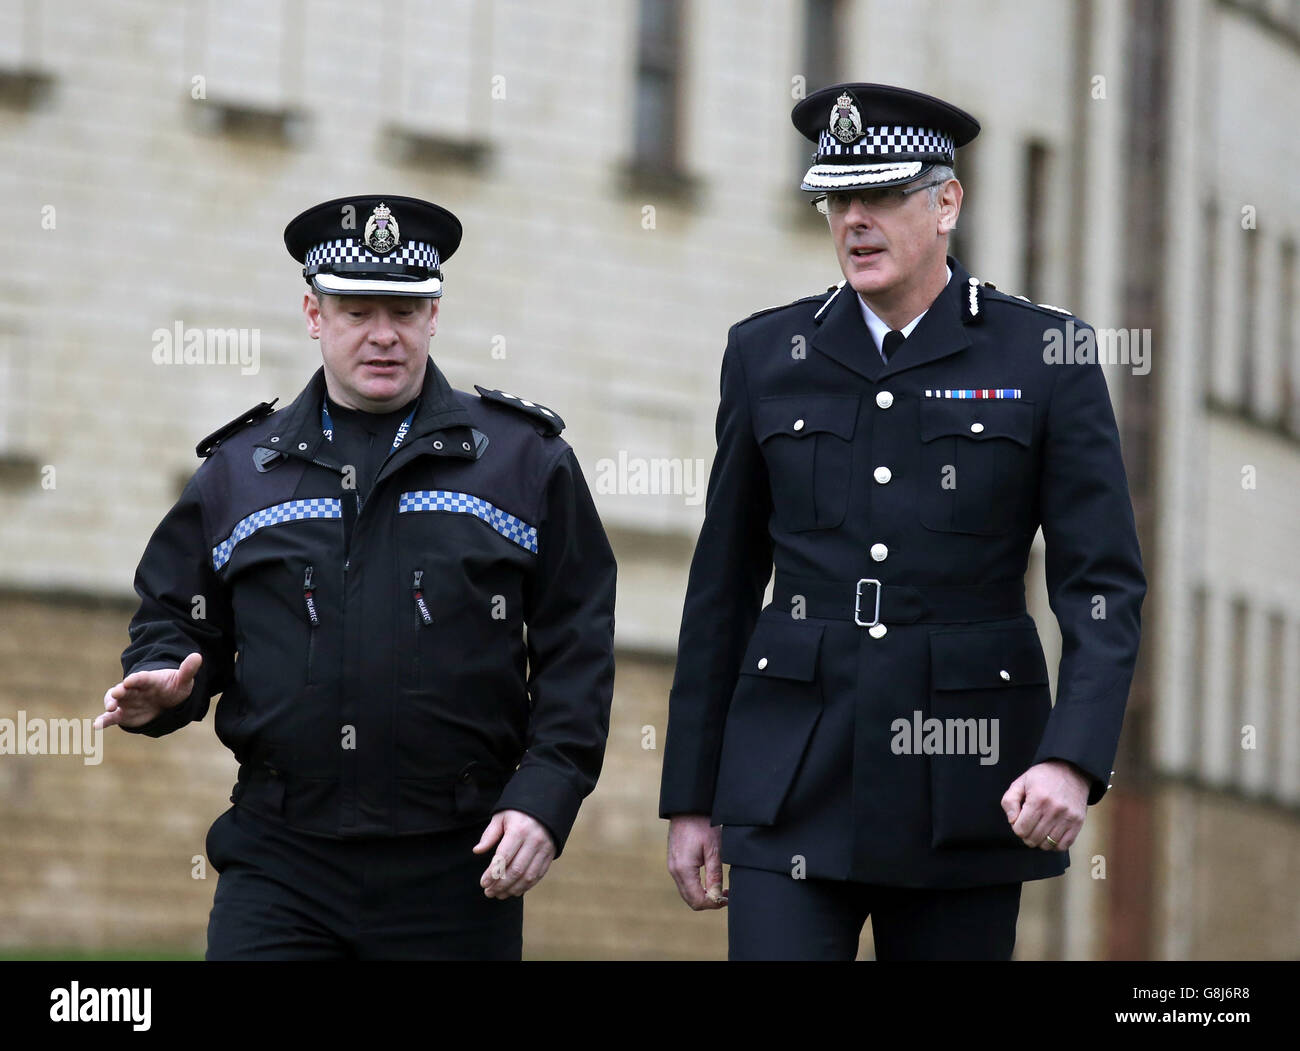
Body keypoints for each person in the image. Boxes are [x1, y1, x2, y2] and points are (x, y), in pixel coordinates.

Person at [658, 84, 1146, 960]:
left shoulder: (1043, 356)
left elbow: (1101, 584)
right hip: (790, 778)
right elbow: (722, 586)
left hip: (965, 785)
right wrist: (691, 794)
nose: (855, 220)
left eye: (880, 195)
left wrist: (1072, 756)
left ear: (947, 201)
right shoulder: (769, 355)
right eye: (838, 199)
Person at [97, 194, 617, 960]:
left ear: (434, 314)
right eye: (355, 309)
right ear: (313, 313)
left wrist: (545, 797)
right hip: (281, 865)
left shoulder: (522, 462)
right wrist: (161, 682)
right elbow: (176, 617)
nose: (383, 334)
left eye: (404, 310)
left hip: (456, 868)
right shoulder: (241, 472)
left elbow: (578, 645)